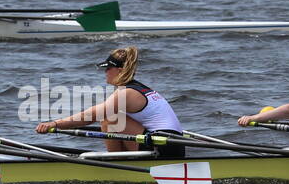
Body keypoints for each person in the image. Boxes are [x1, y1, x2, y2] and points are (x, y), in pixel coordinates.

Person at [35, 46, 185, 153]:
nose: (105, 72)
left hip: (163, 147)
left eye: (108, 68)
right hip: (173, 144)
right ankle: (123, 157)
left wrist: (54, 124)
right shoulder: (141, 88)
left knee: (109, 118)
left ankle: (116, 161)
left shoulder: (127, 93)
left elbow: (90, 116)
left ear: (119, 71)